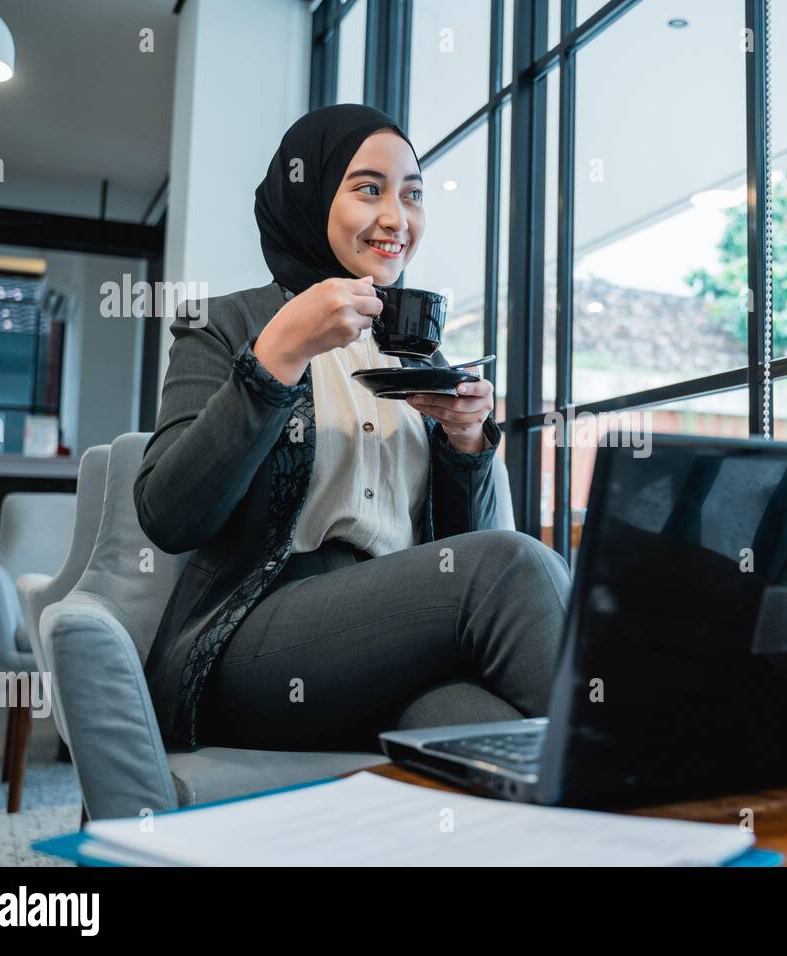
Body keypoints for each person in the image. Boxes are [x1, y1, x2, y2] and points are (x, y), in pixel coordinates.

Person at [135, 104, 570, 752]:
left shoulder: (422, 359)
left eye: (412, 195)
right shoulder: (225, 323)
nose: (397, 218)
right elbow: (170, 516)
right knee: (515, 564)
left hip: (398, 640)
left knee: (489, 733)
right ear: (308, 196)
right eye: (370, 189)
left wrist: (467, 446)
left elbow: (465, 546)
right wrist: (276, 356)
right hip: (252, 642)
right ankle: (655, 794)